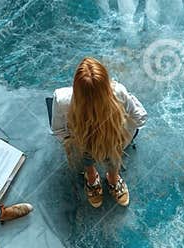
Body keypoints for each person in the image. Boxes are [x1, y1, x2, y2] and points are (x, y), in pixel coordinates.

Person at [51, 57, 147, 208]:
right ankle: (102, 178)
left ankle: (100, 178)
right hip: (91, 141)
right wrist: (123, 135)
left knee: (94, 156)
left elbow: (58, 129)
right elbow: (139, 117)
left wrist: (73, 141)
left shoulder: (62, 99)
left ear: (76, 86)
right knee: (105, 156)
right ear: (106, 85)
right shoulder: (118, 92)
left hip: (100, 140)